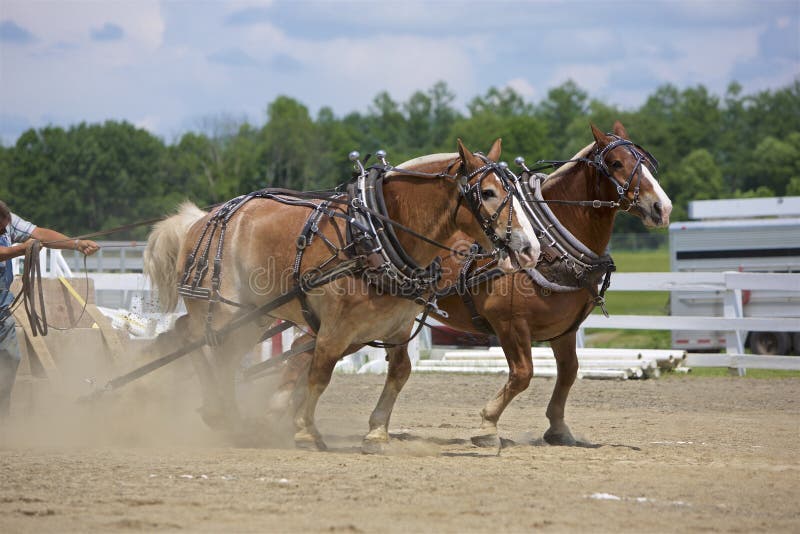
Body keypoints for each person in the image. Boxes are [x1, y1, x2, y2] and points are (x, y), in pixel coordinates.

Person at [0, 200, 100, 418]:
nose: (4, 230)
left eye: (5, 227)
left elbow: (40, 234)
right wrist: (21, 249)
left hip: (1, 307)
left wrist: (76, 244)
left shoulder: (7, 221)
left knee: (10, 358)